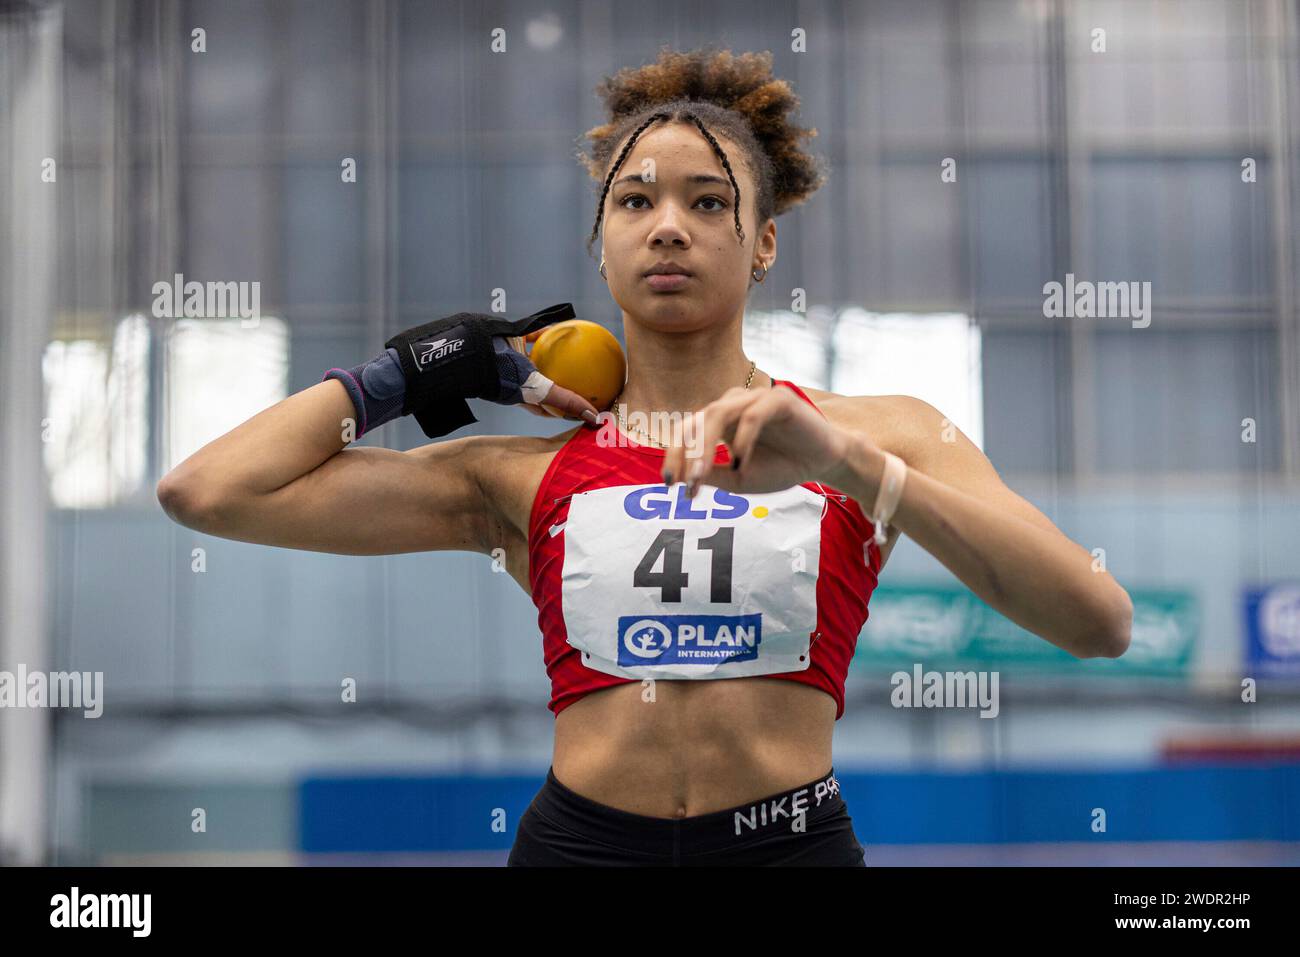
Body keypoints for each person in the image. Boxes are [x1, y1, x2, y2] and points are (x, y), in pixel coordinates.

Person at [157, 46, 1132, 867]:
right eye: (635, 201)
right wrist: (402, 375)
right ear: (602, 243)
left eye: (709, 202)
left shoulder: (880, 435)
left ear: (764, 245)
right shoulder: (517, 476)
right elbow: (205, 492)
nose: (668, 223)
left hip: (785, 846)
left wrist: (844, 463)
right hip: (579, 849)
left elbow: (1098, 623)